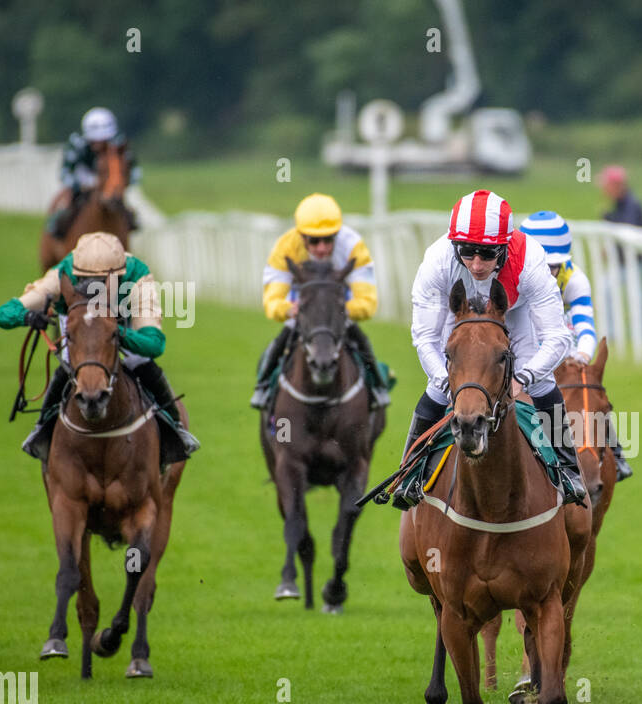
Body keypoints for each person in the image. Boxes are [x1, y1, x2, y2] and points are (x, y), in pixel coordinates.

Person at [394, 189, 585, 509]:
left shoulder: (530, 261)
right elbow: (425, 338)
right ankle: (410, 472)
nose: (477, 264)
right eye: (467, 252)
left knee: (543, 383)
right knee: (438, 389)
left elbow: (556, 337)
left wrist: (522, 377)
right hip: (458, 315)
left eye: (487, 253)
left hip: (513, 311)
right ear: (454, 246)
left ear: (505, 247)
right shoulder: (438, 261)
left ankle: (567, 470)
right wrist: (446, 380)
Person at [0, 231, 199, 466]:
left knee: (140, 363)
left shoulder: (136, 274)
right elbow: (2, 314)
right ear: (75, 273)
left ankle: (175, 431)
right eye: (86, 280)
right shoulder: (62, 273)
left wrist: (115, 334)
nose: (95, 288)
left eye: (103, 282)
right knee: (68, 370)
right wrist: (28, 316)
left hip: (121, 327)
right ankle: (42, 432)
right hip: (77, 327)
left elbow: (154, 343)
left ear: (119, 275)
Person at [517, 210, 633, 481]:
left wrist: (582, 354)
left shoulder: (575, 279)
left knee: (588, 393)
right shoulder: (513, 274)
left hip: (561, 343)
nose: (546, 274)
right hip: (525, 342)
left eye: (552, 267)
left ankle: (615, 453)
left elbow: (585, 326)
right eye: (541, 266)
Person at [251, 193, 388, 409]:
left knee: (362, 341)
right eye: (314, 241)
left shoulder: (353, 247)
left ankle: (377, 387)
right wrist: (289, 310)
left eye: (329, 239)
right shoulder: (285, 248)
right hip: (303, 310)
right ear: (301, 236)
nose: (322, 247)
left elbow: (368, 303)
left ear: (337, 235)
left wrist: (339, 311)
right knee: (277, 345)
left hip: (338, 312)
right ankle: (263, 385)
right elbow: (272, 301)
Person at [47, 107, 141, 239]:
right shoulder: (77, 145)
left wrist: (121, 183)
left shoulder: (119, 147)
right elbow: (65, 173)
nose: (100, 144)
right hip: (82, 189)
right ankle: (56, 233)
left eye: (104, 140)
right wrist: (83, 184)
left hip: (109, 189)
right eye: (96, 141)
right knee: (64, 214)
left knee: (127, 214)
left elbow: (135, 173)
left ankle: (131, 225)